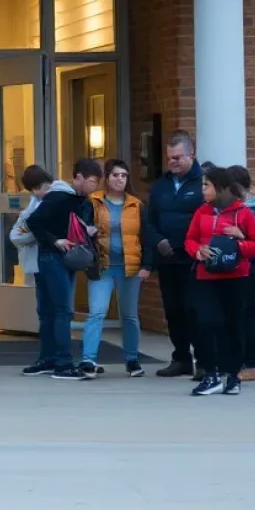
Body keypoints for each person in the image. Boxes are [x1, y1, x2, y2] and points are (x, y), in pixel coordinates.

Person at [184, 166, 255, 396]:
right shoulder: (202, 212)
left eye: (207, 185)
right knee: (207, 323)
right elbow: (189, 239)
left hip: (236, 277)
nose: (203, 190)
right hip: (206, 277)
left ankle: (232, 375)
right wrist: (198, 251)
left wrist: (240, 241)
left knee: (234, 325)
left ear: (222, 188)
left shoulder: (243, 213)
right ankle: (211, 374)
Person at [21, 159, 103, 381]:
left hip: (62, 258)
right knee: (62, 310)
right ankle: (63, 363)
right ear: (78, 177)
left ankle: (48, 359)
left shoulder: (81, 200)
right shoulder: (59, 197)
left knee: (50, 310)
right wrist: (54, 240)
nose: (94, 186)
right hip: (52, 257)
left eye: (97, 182)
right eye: (92, 181)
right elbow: (34, 221)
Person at [81, 160, 153, 379]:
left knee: (129, 315)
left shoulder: (136, 205)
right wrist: (88, 231)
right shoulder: (93, 201)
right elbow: (80, 228)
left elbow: (146, 237)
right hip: (101, 266)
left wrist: (147, 265)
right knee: (97, 313)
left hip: (129, 268)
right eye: (115, 175)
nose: (120, 179)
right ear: (107, 178)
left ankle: (132, 359)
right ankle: (89, 359)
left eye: (123, 175)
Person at [147, 130, 205, 378]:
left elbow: (208, 219)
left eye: (178, 157)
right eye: (170, 157)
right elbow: (149, 220)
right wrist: (158, 240)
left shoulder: (203, 183)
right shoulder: (161, 185)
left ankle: (204, 360)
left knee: (197, 310)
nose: (172, 162)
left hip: (193, 259)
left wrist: (186, 243)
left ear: (192, 154)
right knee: (173, 311)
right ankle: (181, 358)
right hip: (168, 259)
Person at [228, 165, 255, 381]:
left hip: (249, 268)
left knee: (247, 315)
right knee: (239, 314)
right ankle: (239, 361)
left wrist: (236, 235)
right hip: (238, 268)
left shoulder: (252, 208)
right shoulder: (239, 206)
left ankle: (252, 364)